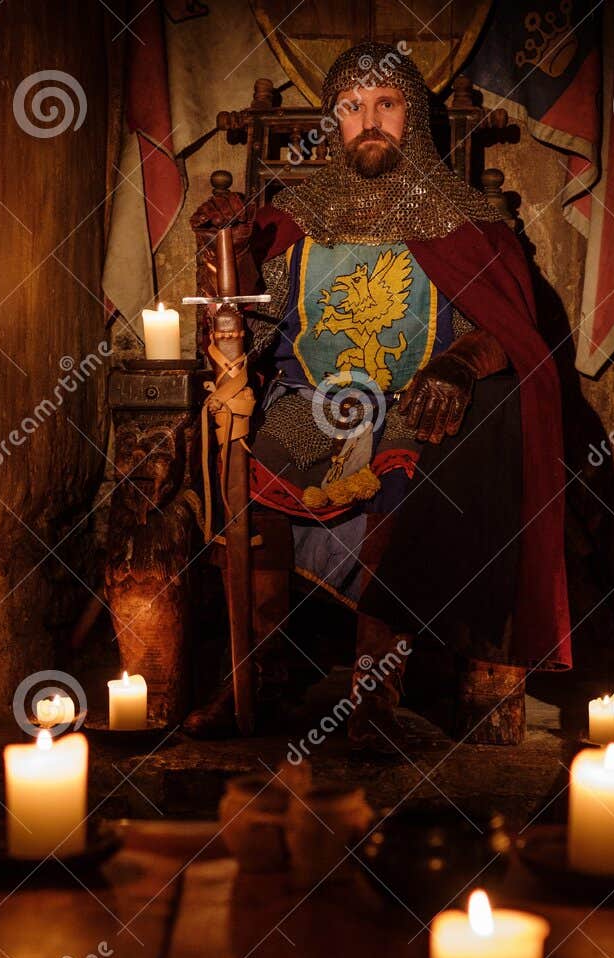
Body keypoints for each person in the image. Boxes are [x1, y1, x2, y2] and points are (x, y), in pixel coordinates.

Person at [182, 41, 571, 744]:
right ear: (332, 122)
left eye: (385, 106)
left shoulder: (460, 220)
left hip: (407, 402)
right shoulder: (298, 219)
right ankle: (260, 669)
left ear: (411, 118)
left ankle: (374, 685)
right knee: (260, 456)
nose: (367, 122)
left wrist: (456, 366)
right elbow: (250, 318)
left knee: (405, 463)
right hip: (312, 400)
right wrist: (225, 270)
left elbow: (507, 330)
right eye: (352, 107)